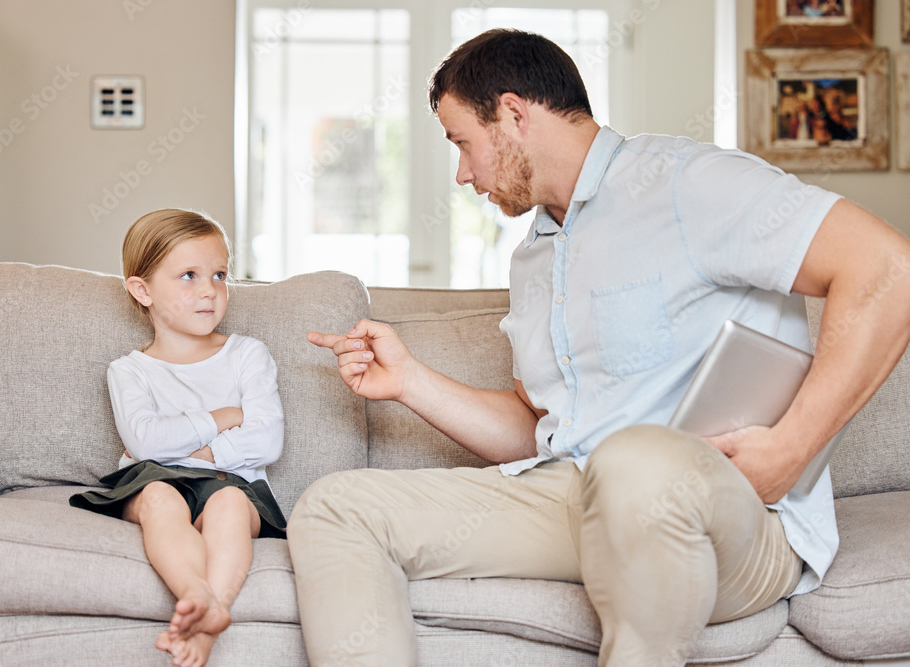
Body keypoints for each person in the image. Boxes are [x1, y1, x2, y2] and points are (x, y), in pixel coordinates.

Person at [287, 29, 910, 666]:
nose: (462, 174)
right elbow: (541, 430)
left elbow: (888, 269)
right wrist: (412, 382)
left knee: (632, 460)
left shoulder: (690, 184)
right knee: (337, 507)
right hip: (578, 498)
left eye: (462, 143)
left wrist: (793, 446)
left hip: (726, 517)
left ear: (513, 114)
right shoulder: (533, 260)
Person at [70, 209, 287, 667]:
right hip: (153, 478)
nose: (209, 289)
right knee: (159, 498)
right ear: (142, 290)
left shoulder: (247, 354)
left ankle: (209, 619)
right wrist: (223, 417)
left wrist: (196, 450)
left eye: (219, 274)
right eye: (189, 275)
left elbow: (266, 440)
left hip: (233, 483)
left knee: (228, 504)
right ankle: (196, 593)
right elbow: (147, 446)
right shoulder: (129, 371)